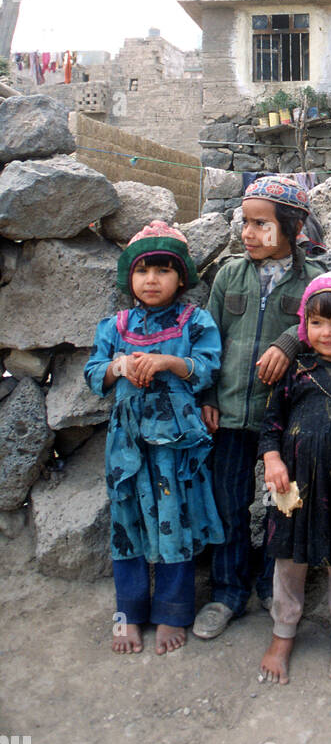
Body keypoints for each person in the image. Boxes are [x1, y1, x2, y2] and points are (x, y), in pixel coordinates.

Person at [193, 175, 323, 639]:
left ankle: (273, 585)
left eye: (260, 224)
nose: (247, 233)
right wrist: (207, 395)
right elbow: (207, 342)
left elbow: (330, 327)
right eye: (244, 223)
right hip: (227, 413)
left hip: (284, 422)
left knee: (281, 504)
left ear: (291, 226)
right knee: (228, 502)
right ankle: (227, 591)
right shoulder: (229, 274)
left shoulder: (313, 281)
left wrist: (291, 339)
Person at [84, 222, 223, 655]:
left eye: (163, 270)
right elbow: (93, 374)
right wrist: (118, 367)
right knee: (126, 523)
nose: (151, 280)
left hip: (175, 445)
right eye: (143, 270)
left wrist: (167, 361)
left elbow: (207, 368)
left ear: (181, 278)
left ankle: (172, 613)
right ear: (130, 278)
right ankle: (128, 615)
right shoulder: (115, 326)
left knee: (174, 520)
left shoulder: (195, 321)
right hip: (128, 446)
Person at [258, 273, 331, 685]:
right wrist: (272, 460)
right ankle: (283, 633)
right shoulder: (296, 369)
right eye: (317, 322)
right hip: (294, 487)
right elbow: (271, 422)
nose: (327, 332)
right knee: (289, 562)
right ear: (305, 325)